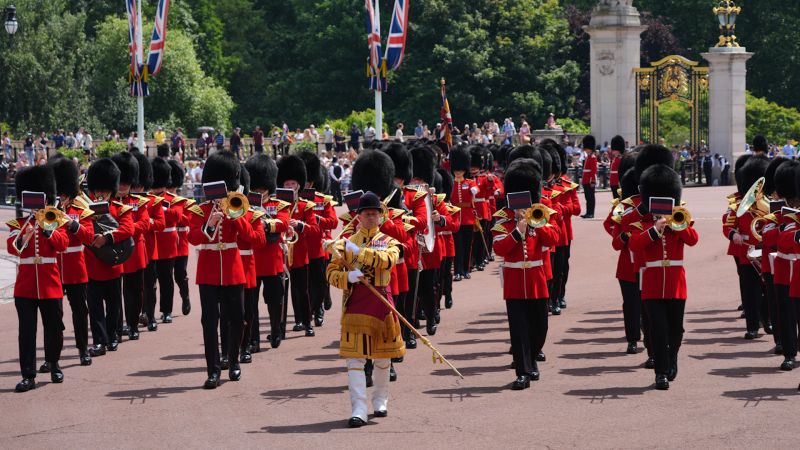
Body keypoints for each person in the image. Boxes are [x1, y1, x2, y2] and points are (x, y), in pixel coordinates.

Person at [326, 191, 405, 427]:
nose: (370, 218)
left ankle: (380, 400)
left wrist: (359, 252)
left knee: (382, 359)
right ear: (358, 216)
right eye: (366, 214)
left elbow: (388, 260)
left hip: (381, 301)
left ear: (381, 216)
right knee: (355, 360)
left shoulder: (390, 242)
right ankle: (358, 407)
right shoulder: (343, 243)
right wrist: (347, 277)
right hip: (355, 304)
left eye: (374, 214)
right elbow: (330, 272)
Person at [187, 151, 254, 389]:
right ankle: (213, 370)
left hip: (234, 270)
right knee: (209, 322)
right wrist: (210, 223)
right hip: (208, 271)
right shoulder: (199, 210)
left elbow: (248, 236)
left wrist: (233, 215)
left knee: (237, 320)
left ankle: (233, 360)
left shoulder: (238, 206)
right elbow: (193, 238)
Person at [629, 163, 698, 390]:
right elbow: (635, 244)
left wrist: (675, 226)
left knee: (676, 329)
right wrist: (655, 229)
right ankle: (660, 372)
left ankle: (672, 359)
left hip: (677, 283)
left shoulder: (680, 218)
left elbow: (693, 239)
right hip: (652, 284)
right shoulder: (644, 223)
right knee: (658, 328)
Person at [493, 158, 559, 390]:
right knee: (518, 328)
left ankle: (532, 359)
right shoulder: (503, 219)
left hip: (537, 279)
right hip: (513, 282)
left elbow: (555, 240)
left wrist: (535, 223)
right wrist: (517, 231)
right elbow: (499, 248)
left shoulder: (542, 215)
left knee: (539, 327)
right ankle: (523, 370)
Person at [7, 164, 71, 392]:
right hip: (25, 288)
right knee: (26, 333)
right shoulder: (18, 224)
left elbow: (63, 245)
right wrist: (24, 235)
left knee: (53, 328)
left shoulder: (54, 220)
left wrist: (48, 229)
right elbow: (13, 249)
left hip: (50, 284)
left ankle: (54, 364)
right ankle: (28, 375)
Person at [84, 158, 135, 356]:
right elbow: (85, 230)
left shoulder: (120, 208)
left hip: (113, 264)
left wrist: (107, 238)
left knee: (114, 305)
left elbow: (128, 229)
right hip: (92, 263)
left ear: (111, 190)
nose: (100, 194)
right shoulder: (86, 209)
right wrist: (93, 237)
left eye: (104, 191)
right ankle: (99, 341)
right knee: (95, 308)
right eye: (98, 190)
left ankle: (113, 336)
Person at [247, 154, 290, 349]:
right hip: (253, 259)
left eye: (262, 188)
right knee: (251, 303)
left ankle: (275, 330)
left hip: (272, 259)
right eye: (256, 188)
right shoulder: (245, 204)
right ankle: (253, 339)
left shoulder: (278, 204)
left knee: (274, 301)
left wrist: (263, 222)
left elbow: (283, 223)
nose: (259, 191)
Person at [277, 155, 319, 336]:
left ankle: (306, 321)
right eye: (286, 184)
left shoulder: (305, 206)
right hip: (281, 253)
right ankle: (286, 324)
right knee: (283, 291)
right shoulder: (277, 206)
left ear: (299, 185)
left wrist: (300, 225)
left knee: (301, 289)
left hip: (300, 252)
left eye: (293, 184)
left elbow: (315, 229)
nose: (290, 187)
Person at [111, 152, 150, 341]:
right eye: (121, 181)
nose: (123, 185)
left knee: (134, 291)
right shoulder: (107, 203)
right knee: (114, 293)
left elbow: (145, 224)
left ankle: (133, 324)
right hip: (112, 252)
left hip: (134, 250)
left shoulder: (138, 201)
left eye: (126, 182)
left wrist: (125, 229)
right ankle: (117, 328)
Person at [449, 146, 478, 281]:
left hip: (468, 218)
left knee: (468, 246)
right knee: (458, 246)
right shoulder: (451, 183)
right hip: (455, 218)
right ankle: (458, 271)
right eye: (456, 170)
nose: (458, 172)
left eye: (460, 170)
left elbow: (475, 188)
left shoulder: (469, 182)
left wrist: (474, 191)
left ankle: (466, 269)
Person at [580, 135, 598, 218]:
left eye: (586, 148)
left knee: (590, 197)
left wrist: (593, 181)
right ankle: (588, 212)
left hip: (589, 181)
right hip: (586, 180)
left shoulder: (593, 157)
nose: (585, 149)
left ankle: (591, 213)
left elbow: (593, 171)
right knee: (587, 197)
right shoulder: (588, 157)